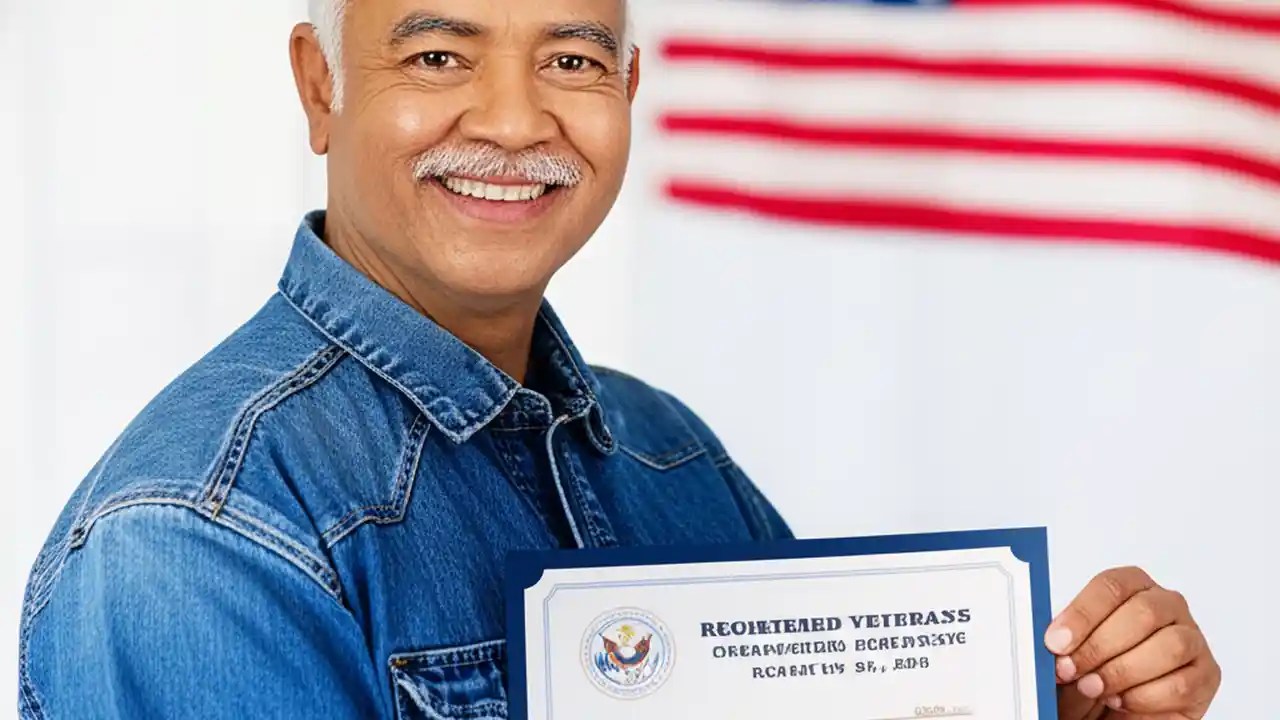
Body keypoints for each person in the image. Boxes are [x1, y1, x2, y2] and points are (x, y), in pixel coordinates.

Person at [17, 1, 1220, 718]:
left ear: (629, 88)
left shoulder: (673, 459)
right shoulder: (192, 541)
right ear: (319, 86)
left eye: (573, 59)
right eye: (437, 55)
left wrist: (1038, 704)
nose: (511, 119)